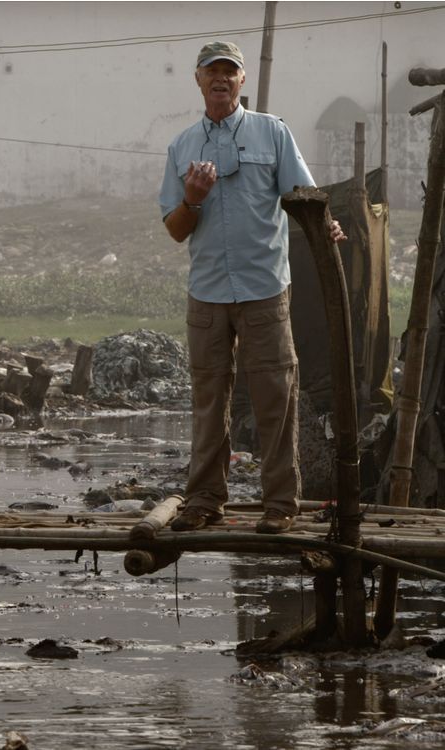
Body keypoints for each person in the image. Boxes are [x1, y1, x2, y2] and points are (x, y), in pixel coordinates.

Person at [159, 41, 346, 535]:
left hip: (264, 288)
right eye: (212, 71)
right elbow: (176, 229)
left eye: (230, 71)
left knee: (275, 398)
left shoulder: (272, 132)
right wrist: (193, 199)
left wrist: (327, 226)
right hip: (207, 293)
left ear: (242, 81)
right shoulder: (182, 147)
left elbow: (304, 198)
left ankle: (280, 504)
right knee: (209, 401)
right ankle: (204, 501)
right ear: (198, 80)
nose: (220, 79)